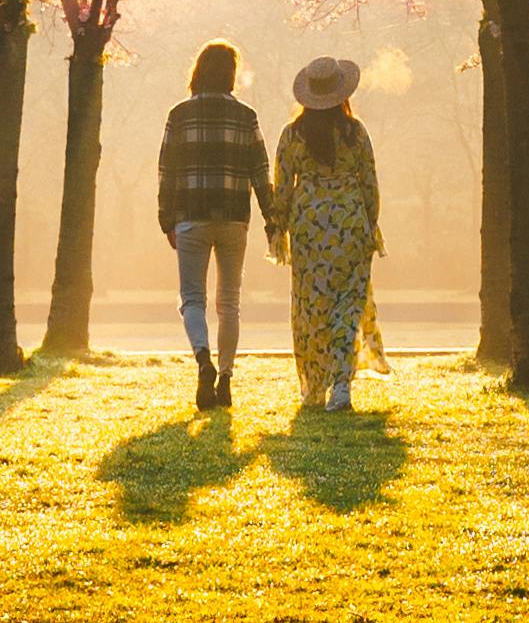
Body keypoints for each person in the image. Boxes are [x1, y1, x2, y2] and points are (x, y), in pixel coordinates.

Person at [155, 37, 277, 411]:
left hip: (190, 217)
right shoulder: (245, 115)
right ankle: (225, 378)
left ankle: (203, 359)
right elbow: (260, 169)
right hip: (233, 219)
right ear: (231, 74)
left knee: (192, 299)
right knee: (230, 303)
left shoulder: (179, 114)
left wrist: (167, 219)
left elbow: (166, 170)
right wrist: (271, 218)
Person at [272, 53, 382, 415]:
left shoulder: (292, 135)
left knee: (311, 305)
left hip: (309, 227)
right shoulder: (355, 132)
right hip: (350, 222)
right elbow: (369, 183)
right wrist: (370, 222)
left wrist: (279, 229)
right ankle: (341, 386)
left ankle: (313, 387)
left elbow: (282, 187)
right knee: (347, 304)